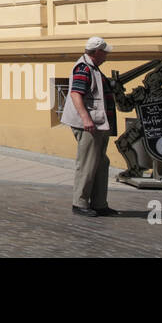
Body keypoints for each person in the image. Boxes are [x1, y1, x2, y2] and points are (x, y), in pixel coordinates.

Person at [61, 36, 119, 217]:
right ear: (97, 52)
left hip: (98, 123)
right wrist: (86, 119)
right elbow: (76, 94)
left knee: (101, 163)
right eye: (105, 51)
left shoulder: (93, 68)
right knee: (87, 163)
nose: (107, 54)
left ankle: (100, 203)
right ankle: (80, 203)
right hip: (89, 124)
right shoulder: (83, 68)